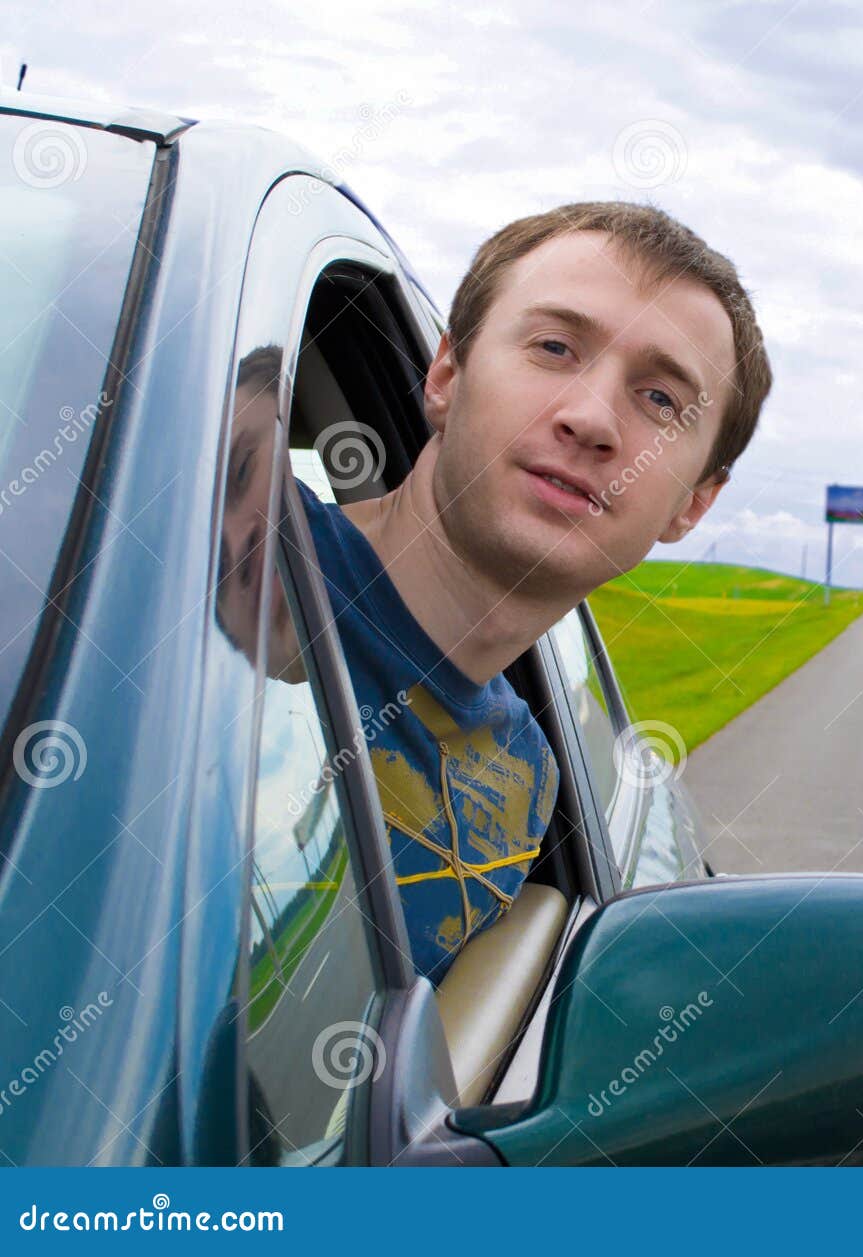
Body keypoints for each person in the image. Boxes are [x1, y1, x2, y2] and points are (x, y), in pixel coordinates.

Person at [297, 202, 772, 983]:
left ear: (693, 504)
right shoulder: (229, 561)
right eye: (555, 347)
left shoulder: (524, 780)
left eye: (659, 400)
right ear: (447, 375)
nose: (590, 419)